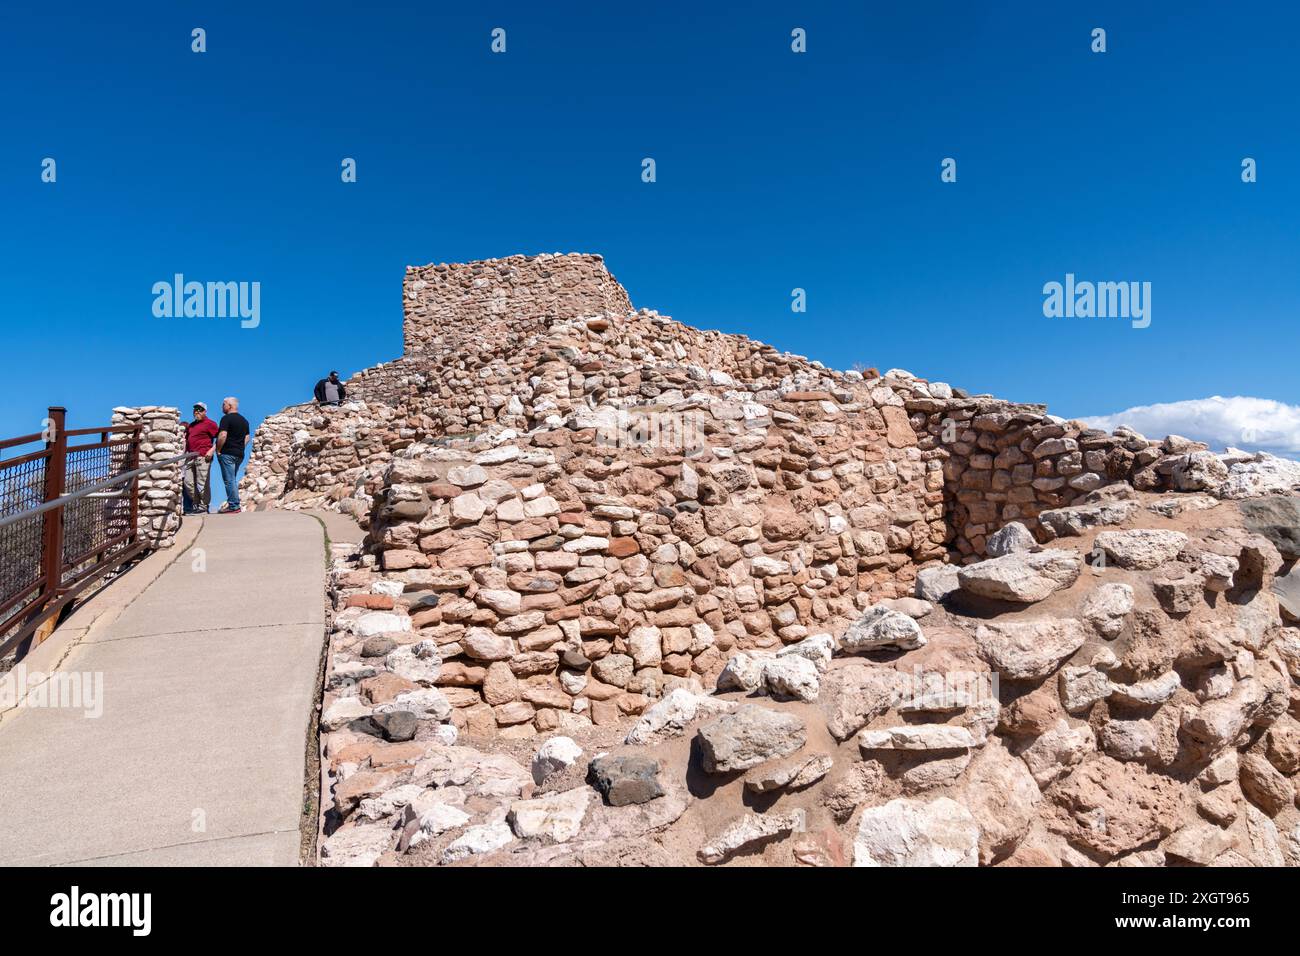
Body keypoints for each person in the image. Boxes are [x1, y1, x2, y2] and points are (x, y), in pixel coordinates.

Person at [213, 396, 251, 514]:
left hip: (227, 453)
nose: (222, 407)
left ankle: (234, 506)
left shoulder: (226, 419)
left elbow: (223, 435)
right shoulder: (244, 421)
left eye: (223, 404)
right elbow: (247, 437)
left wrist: (218, 450)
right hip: (239, 454)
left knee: (229, 480)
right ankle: (233, 504)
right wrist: (240, 448)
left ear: (229, 405)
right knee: (232, 479)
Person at [182, 402, 219, 515]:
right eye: (195, 409)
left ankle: (203, 506)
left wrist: (212, 451)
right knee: (188, 482)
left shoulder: (210, 423)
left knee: (202, 483)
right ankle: (196, 504)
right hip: (191, 457)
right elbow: (187, 441)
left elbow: (220, 438)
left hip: (203, 456)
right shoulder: (192, 426)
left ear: (205, 412)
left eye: (200, 409)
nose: (197, 411)